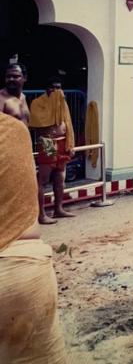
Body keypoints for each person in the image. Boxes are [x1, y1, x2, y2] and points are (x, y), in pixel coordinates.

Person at [0, 113, 68, 363]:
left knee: (58, 174)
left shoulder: (25, 110)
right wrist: (50, 130)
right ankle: (47, 211)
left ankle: (56, 208)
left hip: (56, 140)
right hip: (44, 141)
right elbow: (41, 127)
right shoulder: (22, 111)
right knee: (45, 176)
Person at [29, 77, 76, 224]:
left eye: (59, 88)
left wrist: (70, 144)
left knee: (60, 178)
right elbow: (38, 124)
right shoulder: (37, 103)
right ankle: (41, 214)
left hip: (63, 142)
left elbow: (68, 124)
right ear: (47, 89)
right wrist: (52, 105)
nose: (57, 91)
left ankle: (58, 209)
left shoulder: (63, 104)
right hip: (48, 142)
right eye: (54, 88)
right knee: (43, 178)